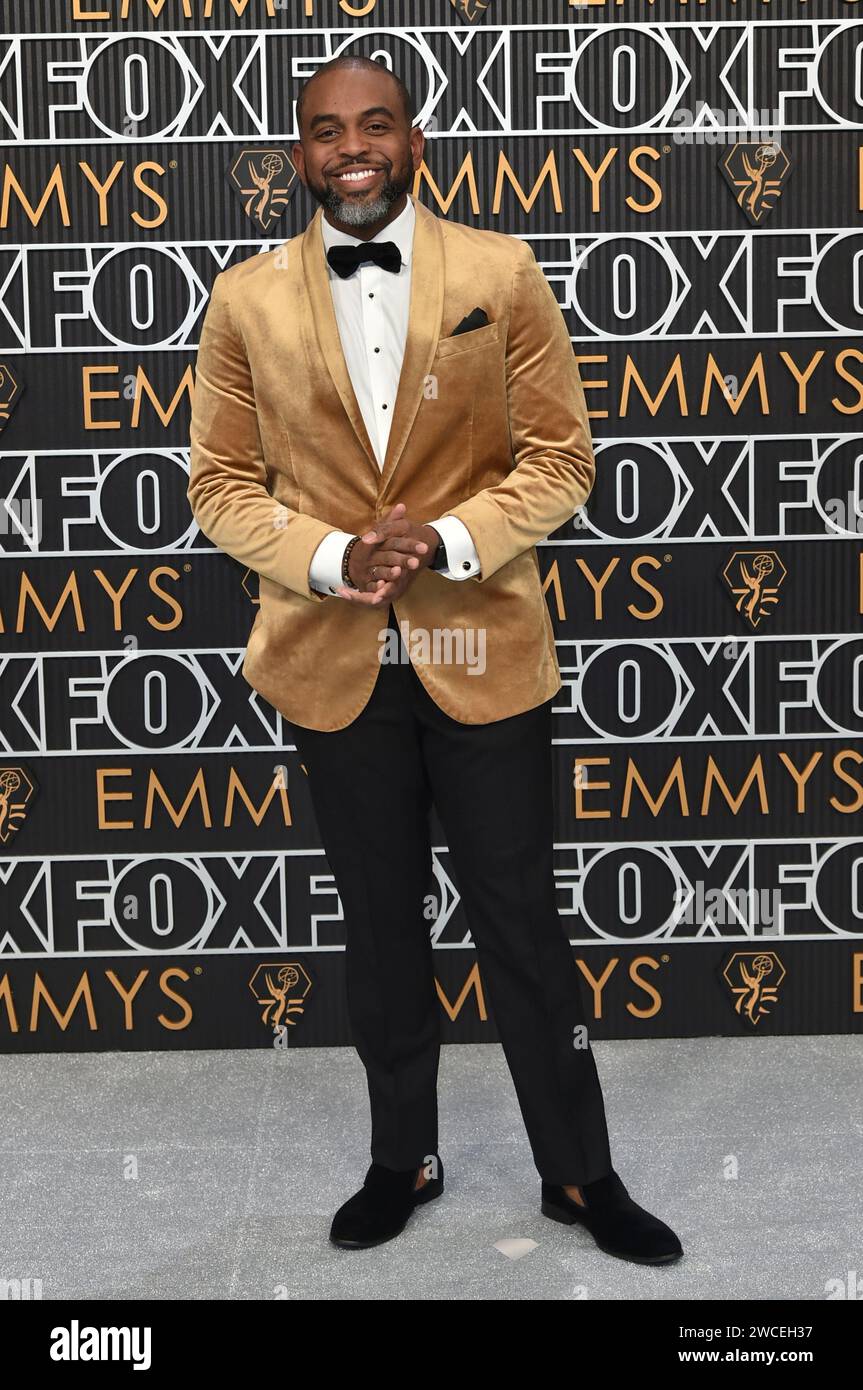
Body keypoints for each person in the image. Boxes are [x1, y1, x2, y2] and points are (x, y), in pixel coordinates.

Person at [187, 54, 683, 1266]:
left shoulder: (496, 272)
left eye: (373, 124)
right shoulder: (244, 298)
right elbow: (218, 484)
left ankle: (579, 1173)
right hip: (331, 655)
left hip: (480, 642)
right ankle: (398, 1155)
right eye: (323, 131)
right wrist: (324, 560)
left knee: (519, 921)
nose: (348, 147)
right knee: (378, 926)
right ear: (297, 155)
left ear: (412, 139)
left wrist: (451, 538)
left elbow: (561, 459)